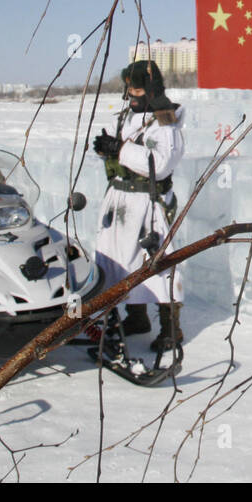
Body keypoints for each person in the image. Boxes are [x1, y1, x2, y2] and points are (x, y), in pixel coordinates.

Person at [92, 60, 186, 368]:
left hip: (149, 202)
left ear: (151, 89)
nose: (132, 94)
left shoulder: (164, 120)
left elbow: (161, 164)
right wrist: (108, 149)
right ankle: (136, 317)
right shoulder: (128, 115)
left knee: (159, 263)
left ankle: (171, 329)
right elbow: (124, 152)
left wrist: (119, 149)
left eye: (138, 88)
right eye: (129, 88)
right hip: (121, 199)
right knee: (117, 261)